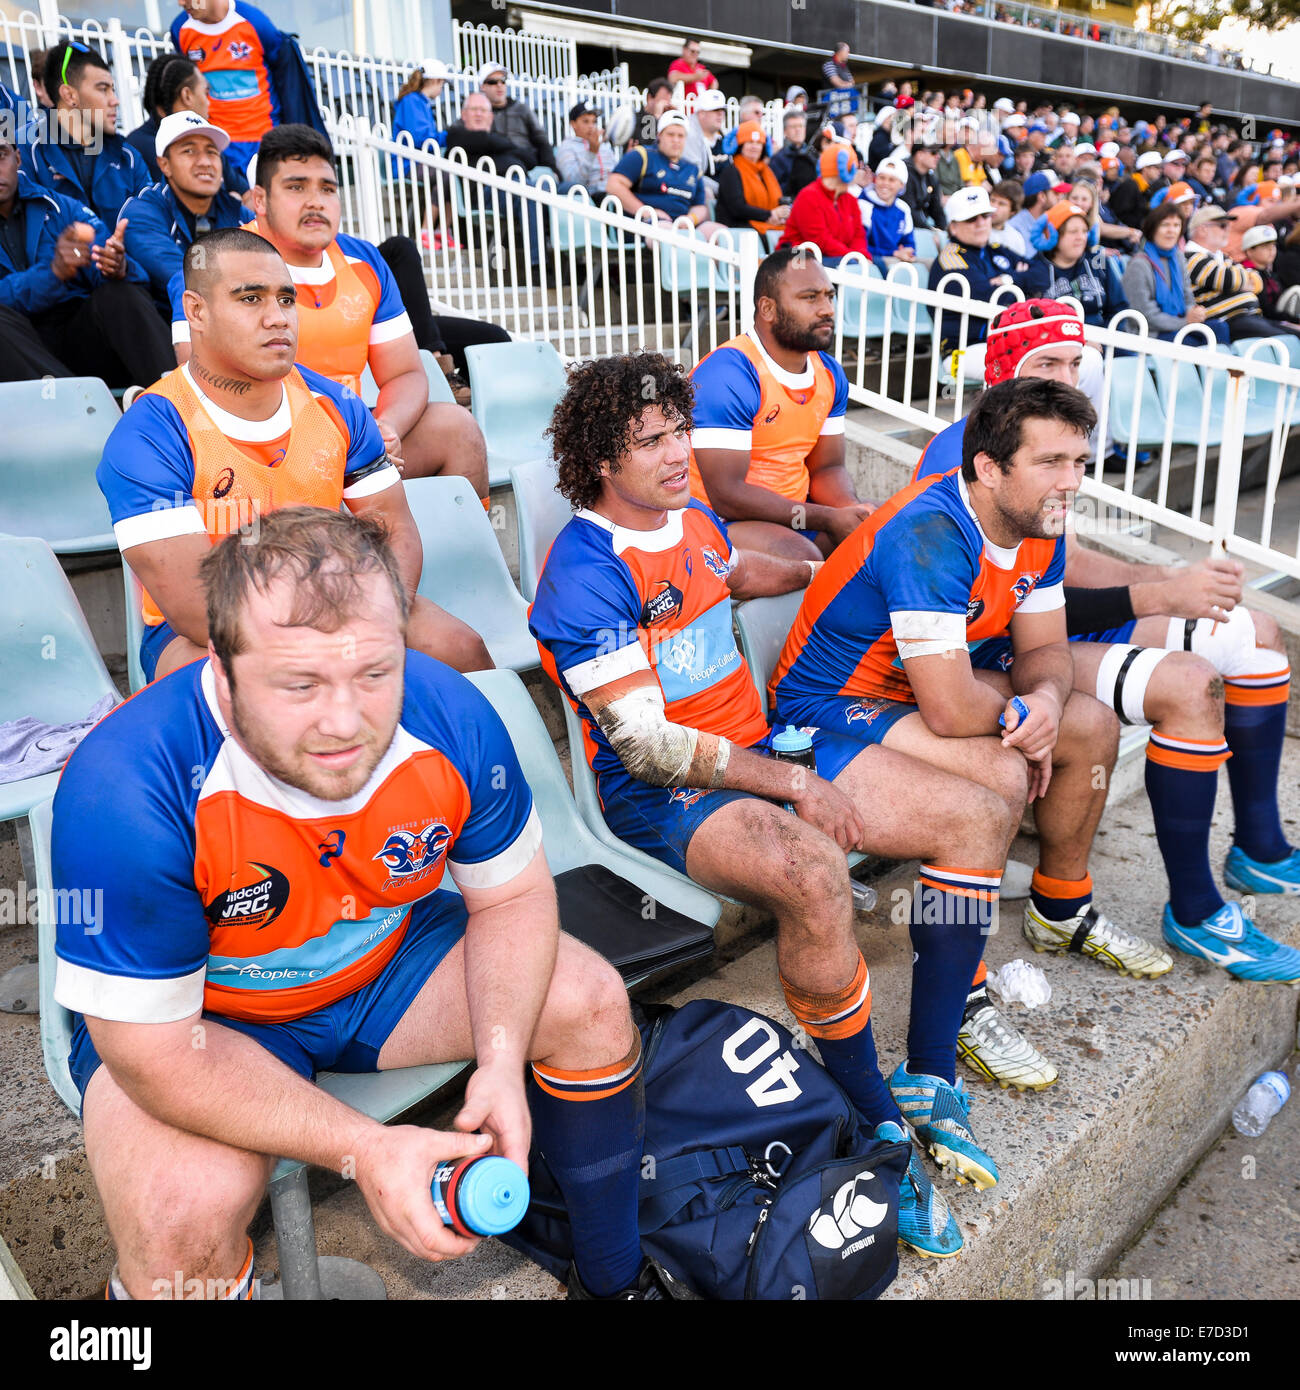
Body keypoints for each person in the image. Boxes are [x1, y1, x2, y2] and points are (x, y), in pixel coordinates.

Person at [54, 504, 669, 1301]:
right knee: (180, 1217)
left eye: (374, 673)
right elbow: (154, 1055)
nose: (344, 722)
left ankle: (613, 1279)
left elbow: (513, 901)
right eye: (299, 683)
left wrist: (500, 1061)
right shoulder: (122, 787)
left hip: (381, 966)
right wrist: (366, 1149)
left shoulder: (450, 713)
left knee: (589, 1003)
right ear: (221, 668)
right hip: (204, 1019)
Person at [530, 352, 1028, 1260]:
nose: (679, 452)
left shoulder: (693, 519)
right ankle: (874, 1119)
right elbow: (649, 747)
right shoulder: (582, 574)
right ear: (602, 459)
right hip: (666, 797)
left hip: (764, 749)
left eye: (683, 429)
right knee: (812, 870)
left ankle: (927, 1068)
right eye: (652, 441)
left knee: (979, 817)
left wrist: (827, 566)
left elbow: (731, 574)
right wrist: (794, 782)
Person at [771, 379, 1176, 1069]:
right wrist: (1022, 719)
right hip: (831, 705)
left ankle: (1062, 907)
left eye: (1079, 463)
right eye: (1051, 463)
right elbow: (952, 710)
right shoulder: (931, 532)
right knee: (1000, 772)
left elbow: (1045, 651)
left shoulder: (1037, 521)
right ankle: (964, 994)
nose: (1070, 483)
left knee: (1087, 724)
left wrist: (1044, 705)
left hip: (920, 686)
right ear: (988, 468)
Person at [910, 308, 1300, 1022]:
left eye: (1073, 364)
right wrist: (1158, 592)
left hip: (1031, 626)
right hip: (988, 649)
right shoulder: (969, 453)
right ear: (1001, 371)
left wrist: (1165, 583)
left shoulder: (1044, 440)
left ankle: (1260, 847)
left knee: (1258, 631)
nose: (1067, 380)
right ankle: (1195, 908)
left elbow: (1056, 562)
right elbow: (1011, 609)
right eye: (1046, 366)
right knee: (1190, 685)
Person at [101, 228, 490, 683]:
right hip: (207, 632)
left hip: (337, 594)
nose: (277, 317)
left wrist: (378, 616)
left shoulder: (337, 404)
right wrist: (319, 646)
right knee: (225, 685)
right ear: (197, 312)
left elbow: (394, 529)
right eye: (250, 299)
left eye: (286, 299)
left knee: (461, 648)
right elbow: (194, 607)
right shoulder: (149, 434)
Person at [687, 249, 871, 561]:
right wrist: (826, 517)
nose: (827, 309)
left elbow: (827, 468)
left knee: (873, 535)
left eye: (829, 296)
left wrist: (850, 511)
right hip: (715, 521)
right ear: (768, 308)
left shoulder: (828, 373)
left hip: (791, 515)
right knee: (800, 554)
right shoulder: (729, 373)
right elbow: (726, 495)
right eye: (810, 298)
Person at [0, 134, 173, 385]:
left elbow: (109, 257)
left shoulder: (59, 207)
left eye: (0, 155)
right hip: (15, 357)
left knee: (120, 293)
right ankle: (73, 409)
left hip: (77, 339)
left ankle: (178, 402)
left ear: (17, 158)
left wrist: (116, 266)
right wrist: (52, 273)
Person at [171, 0, 326, 177]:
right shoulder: (180, 29)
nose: (180, 3)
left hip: (265, 141)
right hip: (218, 145)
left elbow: (285, 74)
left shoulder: (255, 22)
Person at [121, 110, 253, 311]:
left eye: (212, 152)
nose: (205, 162)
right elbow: (181, 276)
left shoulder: (240, 214)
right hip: (167, 329)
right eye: (189, 151)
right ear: (164, 165)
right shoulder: (142, 212)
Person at [27, 42, 152, 228]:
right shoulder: (27, 153)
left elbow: (151, 227)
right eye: (103, 89)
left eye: (113, 90)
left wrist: (120, 254)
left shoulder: (128, 158)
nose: (115, 101)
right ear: (69, 96)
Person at [127, 52, 246, 196]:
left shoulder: (206, 139)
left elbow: (246, 193)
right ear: (187, 95)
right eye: (206, 93)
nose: (209, 103)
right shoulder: (139, 147)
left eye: (209, 152)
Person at [930, 185, 1029, 356]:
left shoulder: (994, 249)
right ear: (953, 227)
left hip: (997, 338)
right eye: (971, 219)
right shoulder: (951, 259)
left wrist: (1007, 279)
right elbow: (988, 297)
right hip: (962, 349)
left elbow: (1040, 273)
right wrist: (1017, 280)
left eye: (985, 216)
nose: (981, 223)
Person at [1184, 203, 1292, 340]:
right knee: (1287, 341)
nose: (1228, 230)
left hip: (1249, 318)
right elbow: (1229, 280)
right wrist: (1241, 280)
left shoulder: (1220, 256)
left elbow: (1256, 281)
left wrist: (1239, 280)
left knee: (1294, 337)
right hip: (1227, 322)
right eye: (1222, 225)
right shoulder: (1190, 257)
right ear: (1203, 229)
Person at [1122, 204, 1224, 342]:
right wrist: (1186, 321)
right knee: (1191, 343)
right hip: (1150, 333)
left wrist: (1194, 313)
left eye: (1176, 225)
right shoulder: (1138, 264)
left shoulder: (1177, 257)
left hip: (1180, 324)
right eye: (1165, 225)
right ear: (1153, 229)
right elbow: (1146, 315)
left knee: (1220, 328)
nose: (1171, 231)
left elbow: (1188, 296)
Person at [1019, 201, 1126, 327]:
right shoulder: (1035, 269)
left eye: (1084, 231)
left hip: (1100, 340)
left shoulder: (1100, 262)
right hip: (1056, 341)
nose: (1080, 237)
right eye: (1073, 231)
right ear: (1054, 235)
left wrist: (1102, 341)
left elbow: (1119, 309)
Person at [606, 112, 711, 231]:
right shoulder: (642, 155)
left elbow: (700, 206)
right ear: (659, 135)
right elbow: (614, 185)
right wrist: (646, 211)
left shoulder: (693, 169)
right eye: (670, 134)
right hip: (646, 224)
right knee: (666, 231)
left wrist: (691, 219)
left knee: (717, 231)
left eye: (680, 136)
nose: (676, 140)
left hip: (683, 226)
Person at [777, 143, 868, 266]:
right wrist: (853, 256)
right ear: (846, 170)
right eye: (857, 167)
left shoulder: (850, 200)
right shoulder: (808, 196)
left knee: (876, 265)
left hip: (831, 257)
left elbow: (859, 236)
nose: (860, 171)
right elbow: (820, 240)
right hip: (797, 258)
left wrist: (860, 256)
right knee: (851, 265)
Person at [478, 62, 557, 177]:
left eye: (503, 81)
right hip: (499, 171)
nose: (499, 85)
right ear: (483, 86)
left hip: (529, 167)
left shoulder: (522, 109)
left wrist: (552, 169)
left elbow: (541, 141)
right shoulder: (477, 114)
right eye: (493, 82)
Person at [713, 120, 787, 236]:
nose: (754, 147)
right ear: (740, 145)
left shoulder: (766, 171)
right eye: (749, 142)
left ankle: (804, 255)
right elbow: (737, 208)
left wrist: (781, 214)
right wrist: (769, 214)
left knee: (796, 238)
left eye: (758, 143)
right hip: (741, 229)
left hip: (768, 225)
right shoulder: (731, 172)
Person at [860, 156, 917, 267]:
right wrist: (894, 253)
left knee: (924, 265)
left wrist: (908, 252)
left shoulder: (903, 209)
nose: (885, 183)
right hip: (872, 260)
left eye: (891, 180)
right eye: (881, 178)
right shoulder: (864, 204)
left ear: (901, 185)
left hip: (894, 259)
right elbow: (861, 245)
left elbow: (909, 244)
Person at [555, 101, 615, 199]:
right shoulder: (567, 147)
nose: (591, 126)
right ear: (573, 124)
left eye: (594, 121)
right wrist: (591, 153)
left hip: (615, 195)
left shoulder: (604, 147)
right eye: (586, 121)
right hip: (592, 198)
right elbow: (573, 183)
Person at [682, 89, 726, 201]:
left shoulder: (724, 136)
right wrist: (726, 190)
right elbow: (695, 175)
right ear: (701, 113)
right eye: (715, 110)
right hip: (702, 197)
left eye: (722, 110)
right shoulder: (689, 135)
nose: (721, 114)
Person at [1109, 150, 1165, 230]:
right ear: (1145, 168)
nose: (1160, 171)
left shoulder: (1145, 187)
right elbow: (1121, 214)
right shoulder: (1130, 185)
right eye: (1156, 167)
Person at [769, 107, 816, 199]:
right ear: (785, 131)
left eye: (801, 126)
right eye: (793, 126)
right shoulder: (778, 159)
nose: (798, 130)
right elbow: (775, 190)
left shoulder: (813, 155)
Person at [902, 145, 946, 231]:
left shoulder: (931, 177)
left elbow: (937, 209)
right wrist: (930, 230)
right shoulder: (904, 174)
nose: (938, 156)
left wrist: (944, 230)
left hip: (924, 225)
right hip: (907, 227)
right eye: (933, 153)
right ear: (920, 155)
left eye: (939, 152)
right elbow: (910, 211)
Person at [631, 77, 673, 149]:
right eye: (663, 100)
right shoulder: (634, 119)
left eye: (668, 101)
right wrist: (656, 117)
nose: (666, 104)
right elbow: (645, 143)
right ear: (649, 98)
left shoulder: (666, 121)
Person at [868, 106, 899, 171]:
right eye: (892, 117)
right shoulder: (879, 137)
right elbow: (889, 157)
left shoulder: (887, 136)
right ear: (885, 119)